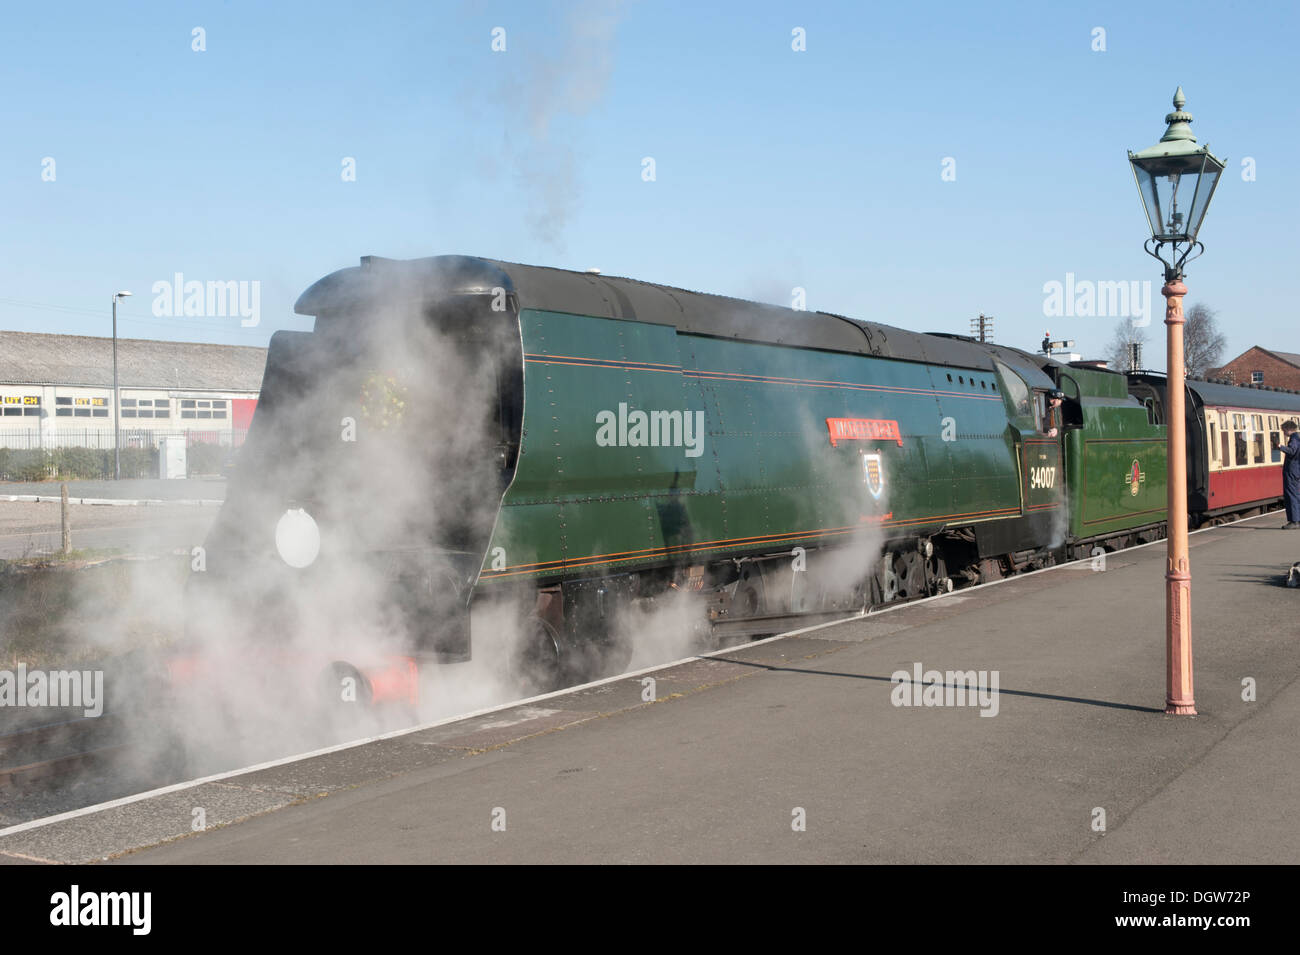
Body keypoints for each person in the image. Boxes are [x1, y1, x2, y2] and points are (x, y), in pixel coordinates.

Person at [1282, 419, 1300, 529]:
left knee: (1291, 496)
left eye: (1284, 430)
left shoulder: (1294, 439)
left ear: (1288, 429)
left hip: (1292, 471)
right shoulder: (1297, 437)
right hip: (1296, 470)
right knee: (1296, 496)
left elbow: (1292, 451)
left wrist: (1281, 447)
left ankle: (1294, 521)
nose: (1283, 433)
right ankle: (1297, 520)